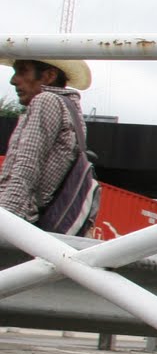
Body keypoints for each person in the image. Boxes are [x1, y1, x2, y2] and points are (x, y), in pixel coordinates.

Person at [0, 56, 100, 235]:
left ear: (49, 76)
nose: (13, 80)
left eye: (22, 71)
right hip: (42, 228)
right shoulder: (71, 109)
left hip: (21, 223)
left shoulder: (46, 100)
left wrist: (5, 220)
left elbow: (26, 167)